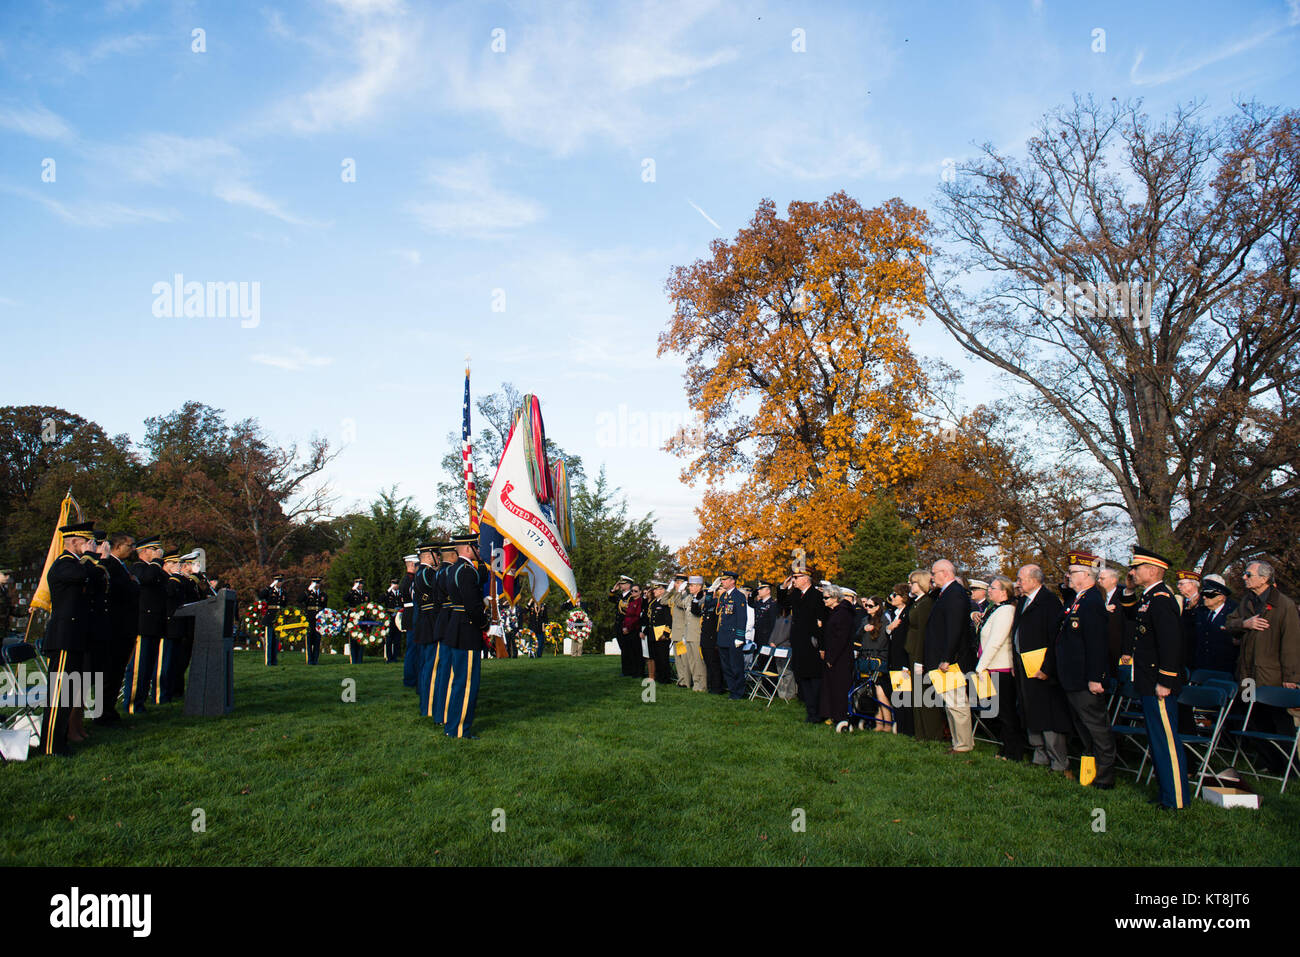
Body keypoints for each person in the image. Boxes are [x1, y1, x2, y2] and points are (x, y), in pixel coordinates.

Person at [1047, 550, 1116, 789]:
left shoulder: (1092, 602)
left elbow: (1097, 644)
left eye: (1073, 572)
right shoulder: (1079, 599)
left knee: (1097, 728)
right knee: (1084, 727)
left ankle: (1105, 777)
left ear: (1087, 574)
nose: (1068, 575)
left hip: (1086, 678)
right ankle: (1090, 770)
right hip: (1072, 677)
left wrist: (1096, 678)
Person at [1129, 547, 1190, 809]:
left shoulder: (1162, 599)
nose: (1132, 572)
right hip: (1148, 679)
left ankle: (1176, 798)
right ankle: (1167, 792)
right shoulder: (1148, 597)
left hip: (1159, 682)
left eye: (1137, 568)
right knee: (1156, 741)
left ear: (1153, 570)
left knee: (1167, 742)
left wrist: (1166, 680)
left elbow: (1171, 644)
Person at [1227, 559, 1300, 774]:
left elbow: (1292, 642)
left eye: (1249, 574)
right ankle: (1270, 763)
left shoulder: (1284, 605)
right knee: (1253, 719)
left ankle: (1291, 768)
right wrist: (1245, 624)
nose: (1244, 578)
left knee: (1278, 721)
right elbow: (1229, 623)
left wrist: (1292, 676)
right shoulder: (1247, 601)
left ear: (1264, 578)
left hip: (1272, 676)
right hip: (1248, 675)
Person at [1011, 563, 1072, 773]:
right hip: (1023, 665)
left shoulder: (1049, 602)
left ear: (1034, 580)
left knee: (1048, 714)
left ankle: (1058, 760)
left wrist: (1047, 668)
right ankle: (1039, 755)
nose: (1018, 583)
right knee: (1030, 711)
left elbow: (1054, 638)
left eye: (1021, 579)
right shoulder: (1023, 602)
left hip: (1041, 668)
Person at [40, 522, 93, 757]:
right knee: (59, 694)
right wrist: (92, 557)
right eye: (86, 541)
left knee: (69, 693)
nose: (90, 545)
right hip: (63, 638)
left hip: (73, 637)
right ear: (73, 542)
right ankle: (51, 745)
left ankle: (60, 741)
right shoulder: (64, 564)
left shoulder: (74, 564)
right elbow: (83, 574)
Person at [924, 560, 974, 752]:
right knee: (950, 704)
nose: (932, 576)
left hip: (952, 660)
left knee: (957, 704)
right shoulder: (947, 593)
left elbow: (955, 629)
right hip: (944, 658)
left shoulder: (954, 594)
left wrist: (947, 657)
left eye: (934, 572)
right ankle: (958, 742)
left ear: (945, 573)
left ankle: (963, 744)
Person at [442, 533, 488, 739]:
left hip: (456, 626)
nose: (480, 550)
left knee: (458, 681)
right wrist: (485, 624)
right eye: (477, 547)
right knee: (467, 683)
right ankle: (459, 729)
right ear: (469, 549)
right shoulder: (467, 571)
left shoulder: (453, 569)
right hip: (467, 629)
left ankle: (452, 726)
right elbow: (472, 606)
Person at [974, 575, 1025, 759]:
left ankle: (1013, 751)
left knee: (1006, 712)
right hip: (992, 667)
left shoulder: (1006, 612)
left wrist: (981, 666)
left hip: (1000, 667)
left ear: (1004, 592)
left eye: (993, 588)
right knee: (1001, 712)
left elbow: (996, 642)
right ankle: (1007, 748)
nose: (989, 591)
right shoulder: (995, 609)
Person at [97, 532, 138, 726]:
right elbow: (119, 591)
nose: (133, 549)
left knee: (116, 673)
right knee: (109, 673)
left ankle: (109, 710)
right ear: (118, 546)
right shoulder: (110, 566)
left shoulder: (122, 567)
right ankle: (102, 712)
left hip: (125, 627)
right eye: (130, 545)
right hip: (115, 627)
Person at [124, 535, 167, 712]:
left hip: (155, 623)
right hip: (143, 623)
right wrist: (156, 562)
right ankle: (133, 703)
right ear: (145, 551)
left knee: (148, 666)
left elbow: (164, 580)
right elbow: (147, 579)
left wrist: (157, 564)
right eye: (154, 550)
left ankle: (141, 701)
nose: (158, 553)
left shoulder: (155, 569)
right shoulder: (138, 567)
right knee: (138, 668)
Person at [778, 568, 824, 722]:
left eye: (797, 577)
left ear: (806, 579)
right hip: (798, 642)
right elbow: (783, 604)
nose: (794, 580)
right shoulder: (797, 594)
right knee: (802, 677)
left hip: (811, 643)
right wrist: (783, 588)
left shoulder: (817, 596)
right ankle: (810, 710)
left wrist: (821, 646)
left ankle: (816, 712)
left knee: (814, 678)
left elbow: (821, 623)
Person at [904, 569, 943, 742]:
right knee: (917, 695)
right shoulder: (918, 602)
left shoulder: (926, 603)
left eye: (912, 582)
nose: (910, 585)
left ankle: (931, 734)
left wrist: (920, 659)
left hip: (919, 652)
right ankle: (921, 733)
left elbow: (922, 633)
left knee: (925, 695)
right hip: (913, 649)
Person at [818, 584, 856, 727]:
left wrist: (831, 658)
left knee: (840, 689)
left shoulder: (843, 614)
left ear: (835, 598)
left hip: (840, 658)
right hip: (833, 656)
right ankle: (832, 715)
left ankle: (841, 717)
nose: (824, 600)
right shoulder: (834, 612)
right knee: (832, 687)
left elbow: (840, 638)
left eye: (827, 598)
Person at [411, 543, 441, 715]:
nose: (438, 557)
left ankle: (426, 703)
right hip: (430, 622)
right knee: (432, 665)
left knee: (427, 664)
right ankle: (429, 706)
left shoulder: (421, 573)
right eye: (436, 554)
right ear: (428, 555)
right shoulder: (428, 573)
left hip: (424, 622)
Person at [1191, 574, 1238, 674]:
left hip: (1223, 670)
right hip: (1201, 668)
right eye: (1204, 594)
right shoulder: (1201, 612)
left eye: (1209, 595)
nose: (1204, 597)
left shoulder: (1233, 613)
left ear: (1221, 597)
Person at [608, 575, 638, 677]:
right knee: (623, 648)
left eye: (623, 584)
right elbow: (610, 599)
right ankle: (626, 670)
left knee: (629, 649)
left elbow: (631, 613)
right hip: (619, 625)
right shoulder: (621, 596)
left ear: (629, 585)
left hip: (627, 626)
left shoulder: (631, 596)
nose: (620, 585)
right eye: (620, 583)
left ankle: (631, 670)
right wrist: (613, 590)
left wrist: (628, 626)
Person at [258, 573, 286, 666]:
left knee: (276, 641)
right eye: (278, 581)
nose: (280, 583)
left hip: (278, 619)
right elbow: (261, 595)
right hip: (270, 618)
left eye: (281, 581)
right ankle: (268, 661)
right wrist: (269, 587)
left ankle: (274, 661)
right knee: (269, 641)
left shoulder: (283, 592)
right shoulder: (270, 591)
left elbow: (284, 604)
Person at [647, 581, 673, 684]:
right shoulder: (654, 602)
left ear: (663, 591)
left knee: (663, 657)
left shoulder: (665, 602)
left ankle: (665, 678)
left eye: (657, 589)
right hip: (653, 633)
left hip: (662, 633)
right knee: (656, 657)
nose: (654, 591)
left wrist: (666, 633)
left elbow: (669, 619)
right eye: (654, 589)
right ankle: (658, 676)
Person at [399, 553, 419, 687]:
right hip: (412, 615)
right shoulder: (409, 581)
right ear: (412, 565)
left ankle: (411, 677)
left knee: (413, 648)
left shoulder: (408, 579)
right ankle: (410, 679)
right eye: (417, 565)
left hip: (409, 614)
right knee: (412, 649)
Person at [700, 582, 723, 693]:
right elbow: (696, 609)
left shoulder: (716, 603)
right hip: (705, 638)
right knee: (708, 663)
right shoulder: (706, 605)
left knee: (714, 664)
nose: (705, 594)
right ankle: (711, 685)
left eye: (707, 591)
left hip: (712, 638)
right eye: (705, 592)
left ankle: (717, 687)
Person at [301, 577, 327, 665]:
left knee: (317, 640)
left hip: (319, 620)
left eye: (318, 583)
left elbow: (324, 607)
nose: (317, 585)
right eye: (315, 583)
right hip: (309, 618)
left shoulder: (323, 594)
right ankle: (309, 660)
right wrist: (308, 591)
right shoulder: (308, 593)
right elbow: (300, 600)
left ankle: (315, 659)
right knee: (309, 639)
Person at [383, 578, 403, 662]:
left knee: (397, 639)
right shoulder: (388, 594)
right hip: (390, 617)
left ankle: (395, 657)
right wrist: (389, 590)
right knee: (389, 639)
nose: (396, 585)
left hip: (399, 618)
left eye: (397, 584)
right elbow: (381, 599)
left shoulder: (401, 593)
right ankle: (389, 657)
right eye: (394, 584)